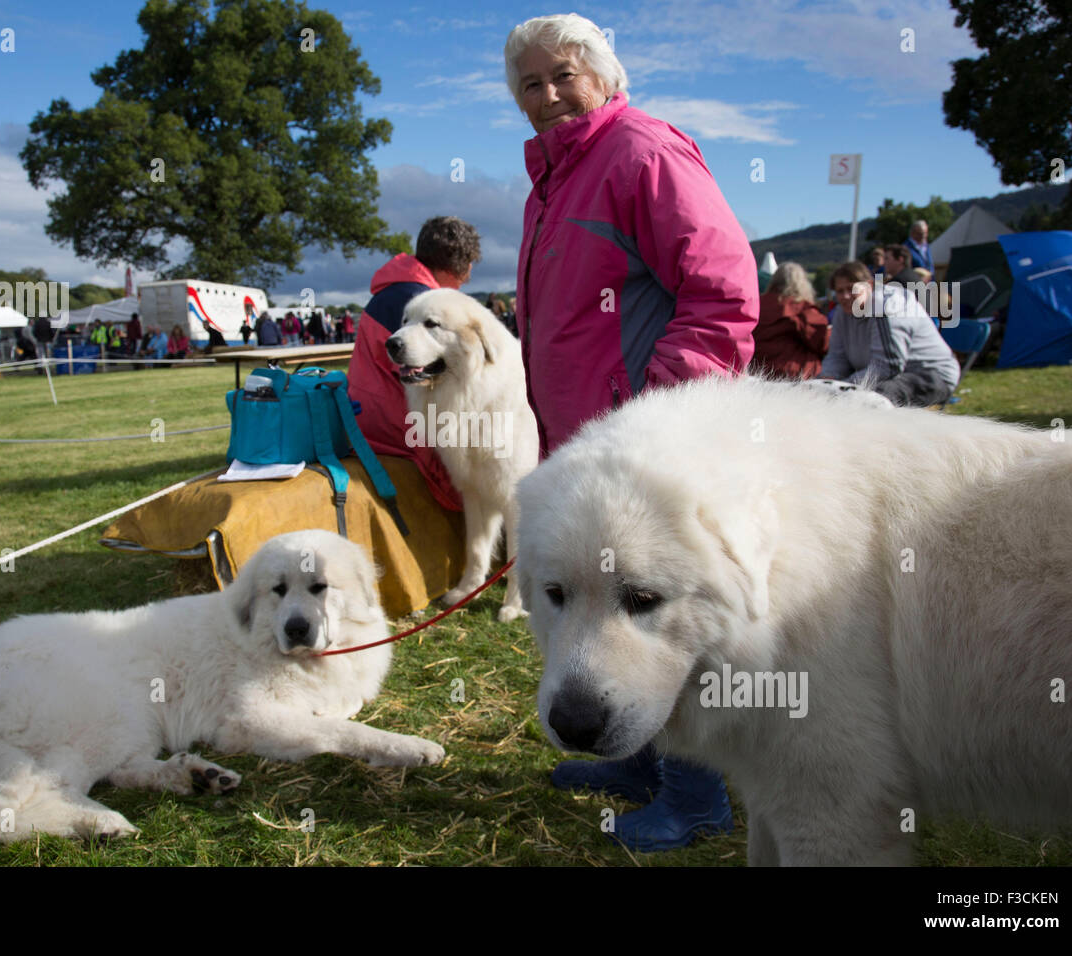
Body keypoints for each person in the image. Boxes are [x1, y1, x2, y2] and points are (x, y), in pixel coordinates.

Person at [506, 12, 757, 852]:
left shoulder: (641, 152)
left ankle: (697, 795)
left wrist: (655, 426)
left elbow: (723, 293)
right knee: (607, 617)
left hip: (642, 456)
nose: (547, 95)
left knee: (657, 613)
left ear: (607, 77)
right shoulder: (555, 180)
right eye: (529, 85)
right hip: (588, 451)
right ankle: (640, 760)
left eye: (563, 76)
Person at [346, 215, 483, 512]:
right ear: (461, 264)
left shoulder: (395, 291)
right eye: (470, 264)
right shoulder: (424, 305)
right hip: (400, 432)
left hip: (368, 421)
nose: (470, 275)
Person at [821, 261, 960, 407]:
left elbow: (888, 366)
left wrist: (842, 387)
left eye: (851, 288)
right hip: (885, 375)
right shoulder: (841, 313)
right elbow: (837, 356)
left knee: (871, 399)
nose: (846, 296)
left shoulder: (888, 307)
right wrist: (827, 379)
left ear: (869, 285)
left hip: (930, 375)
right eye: (840, 291)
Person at [751, 262, 830, 379]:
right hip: (794, 376)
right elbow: (822, 342)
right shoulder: (801, 308)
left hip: (756, 372)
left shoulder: (755, 305)